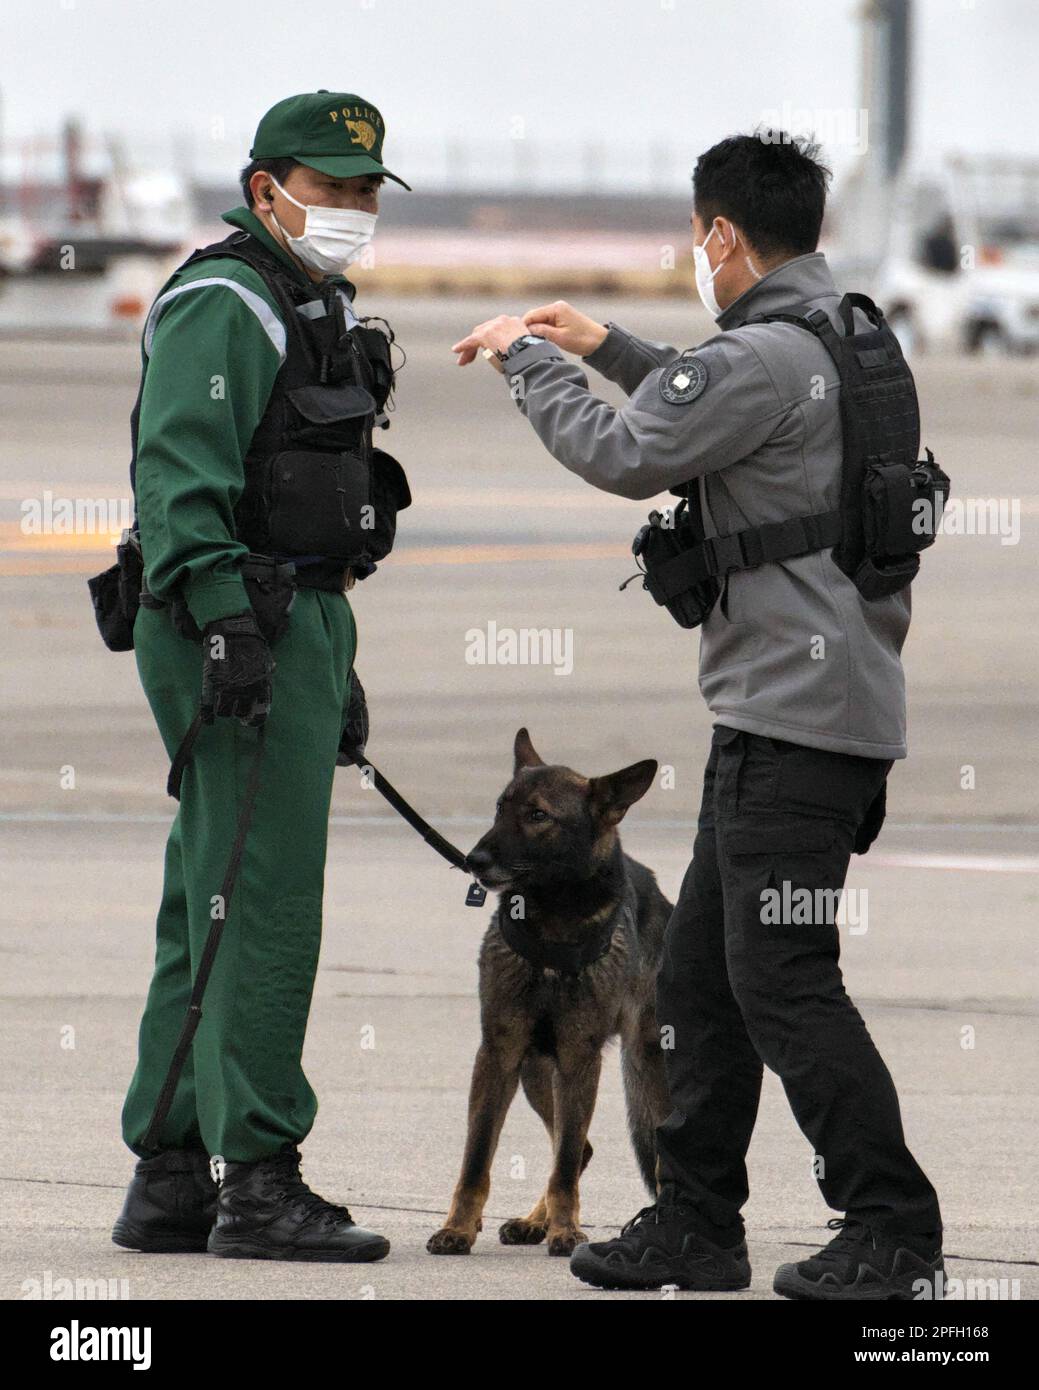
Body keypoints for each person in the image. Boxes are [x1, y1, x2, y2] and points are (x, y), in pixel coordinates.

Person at [452, 132, 943, 1300]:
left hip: (794, 726)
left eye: (696, 237)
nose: (694, 255)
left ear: (721, 234)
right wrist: (611, 341)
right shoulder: (844, 336)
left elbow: (630, 453)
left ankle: (893, 1225)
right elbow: (720, 402)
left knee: (780, 978)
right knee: (696, 989)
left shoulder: (765, 355)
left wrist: (531, 357)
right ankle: (696, 1223)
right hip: (809, 713)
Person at [112, 91, 410, 1263]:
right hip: (233, 619)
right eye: (330, 187)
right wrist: (232, 628)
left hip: (293, 618)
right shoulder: (223, 302)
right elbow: (178, 481)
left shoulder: (306, 300)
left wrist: (331, 669)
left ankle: (174, 1172)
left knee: (211, 894)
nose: (350, 208)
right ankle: (261, 1180)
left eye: (364, 190)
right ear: (264, 188)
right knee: (264, 898)